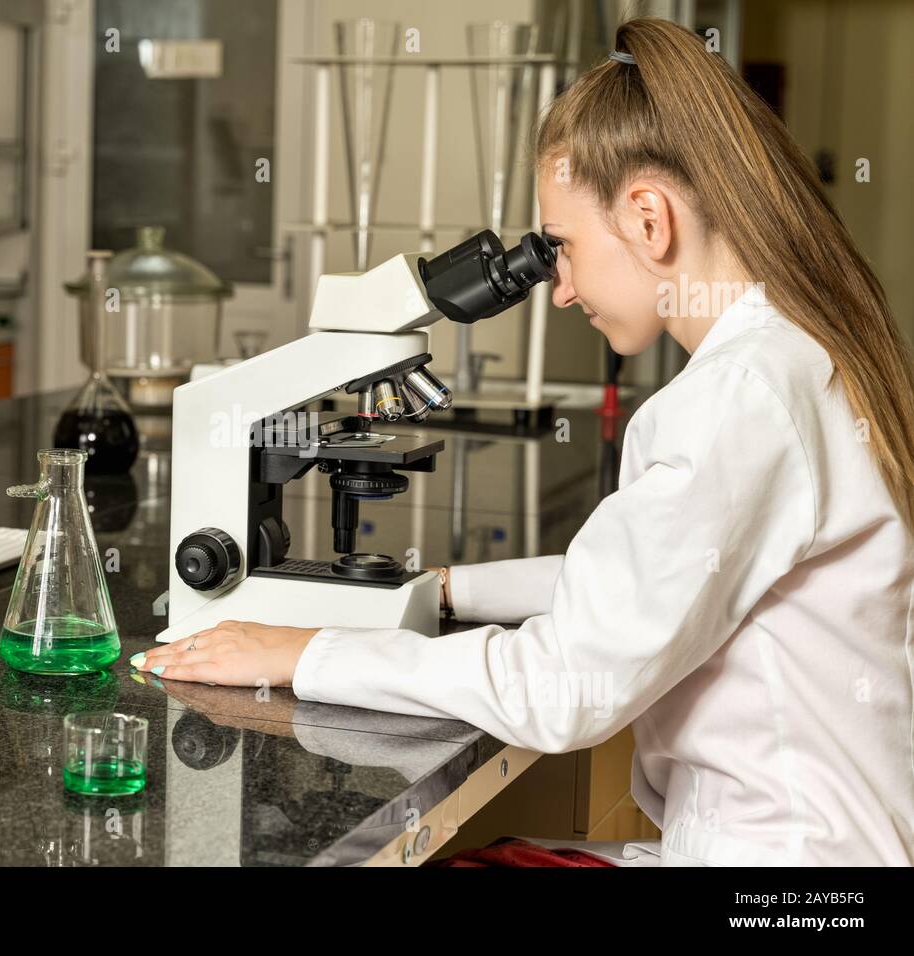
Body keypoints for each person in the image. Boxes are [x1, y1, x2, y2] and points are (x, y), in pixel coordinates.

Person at [131, 17, 914, 866]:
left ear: (649, 218)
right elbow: (649, 582)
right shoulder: (795, 355)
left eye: (563, 248)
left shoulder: (736, 399)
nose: (563, 289)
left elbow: (565, 686)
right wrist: (447, 586)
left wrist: (304, 655)